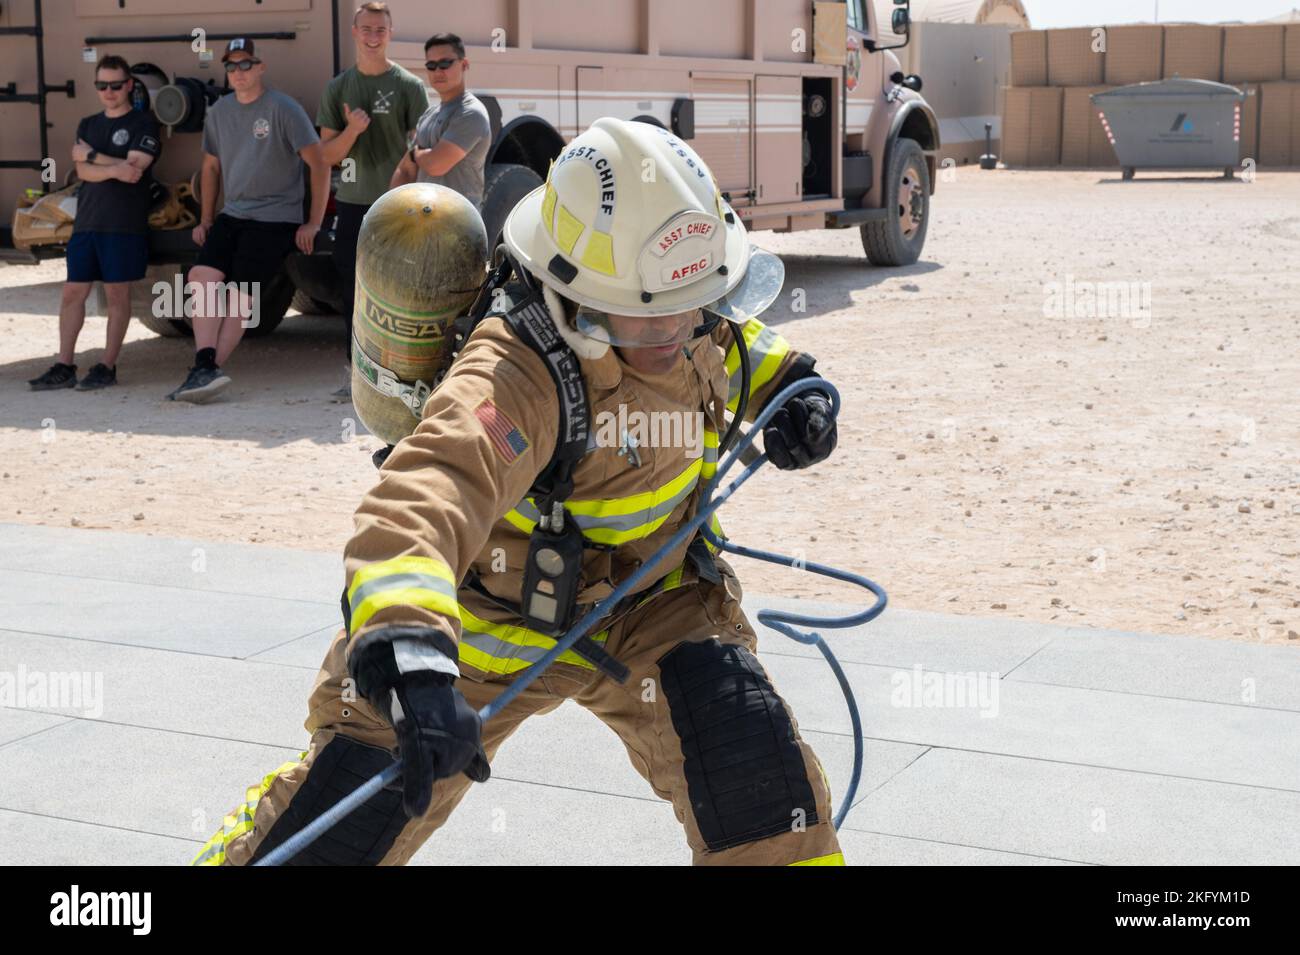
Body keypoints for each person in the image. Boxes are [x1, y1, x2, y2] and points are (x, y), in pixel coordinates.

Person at [193, 119, 843, 867]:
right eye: (656, 310)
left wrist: (796, 391)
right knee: (340, 825)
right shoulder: (515, 375)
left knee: (761, 790)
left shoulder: (678, 303)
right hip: (482, 628)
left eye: (697, 299)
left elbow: (734, 346)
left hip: (653, 601)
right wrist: (410, 651)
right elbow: (423, 496)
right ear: (581, 290)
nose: (681, 323)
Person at [168, 38, 328, 403]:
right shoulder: (219, 112)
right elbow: (210, 167)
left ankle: (207, 370)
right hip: (233, 215)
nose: (238, 73)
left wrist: (313, 223)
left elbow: (319, 163)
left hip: (276, 218)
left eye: (245, 64)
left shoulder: (283, 109)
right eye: (231, 66)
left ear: (260, 68)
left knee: (239, 297)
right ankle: (205, 368)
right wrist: (205, 218)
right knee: (201, 277)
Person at [28, 56, 160, 392]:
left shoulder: (144, 124)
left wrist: (93, 157)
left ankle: (107, 366)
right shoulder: (88, 124)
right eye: (102, 85)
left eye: (116, 85)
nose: (109, 91)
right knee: (73, 292)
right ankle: (64, 364)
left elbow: (135, 170)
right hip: (87, 222)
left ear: (129, 85)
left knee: (117, 294)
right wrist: (113, 168)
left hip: (123, 224)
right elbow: (84, 172)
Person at [317, 1, 427, 401]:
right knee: (354, 290)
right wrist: (352, 130)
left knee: (403, 292)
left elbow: (421, 153)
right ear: (354, 32)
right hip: (352, 205)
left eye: (380, 29)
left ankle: (405, 377)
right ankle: (358, 377)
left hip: (399, 207)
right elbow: (327, 156)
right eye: (366, 28)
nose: (373, 36)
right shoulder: (338, 87)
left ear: (390, 33)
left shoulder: (410, 87)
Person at [389, 33, 490, 210]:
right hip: (424, 223)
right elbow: (405, 170)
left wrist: (416, 155)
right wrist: (392, 211)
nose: (438, 71)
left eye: (445, 63)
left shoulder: (471, 113)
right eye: (431, 65)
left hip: (458, 224)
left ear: (464, 64)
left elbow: (435, 165)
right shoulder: (428, 115)